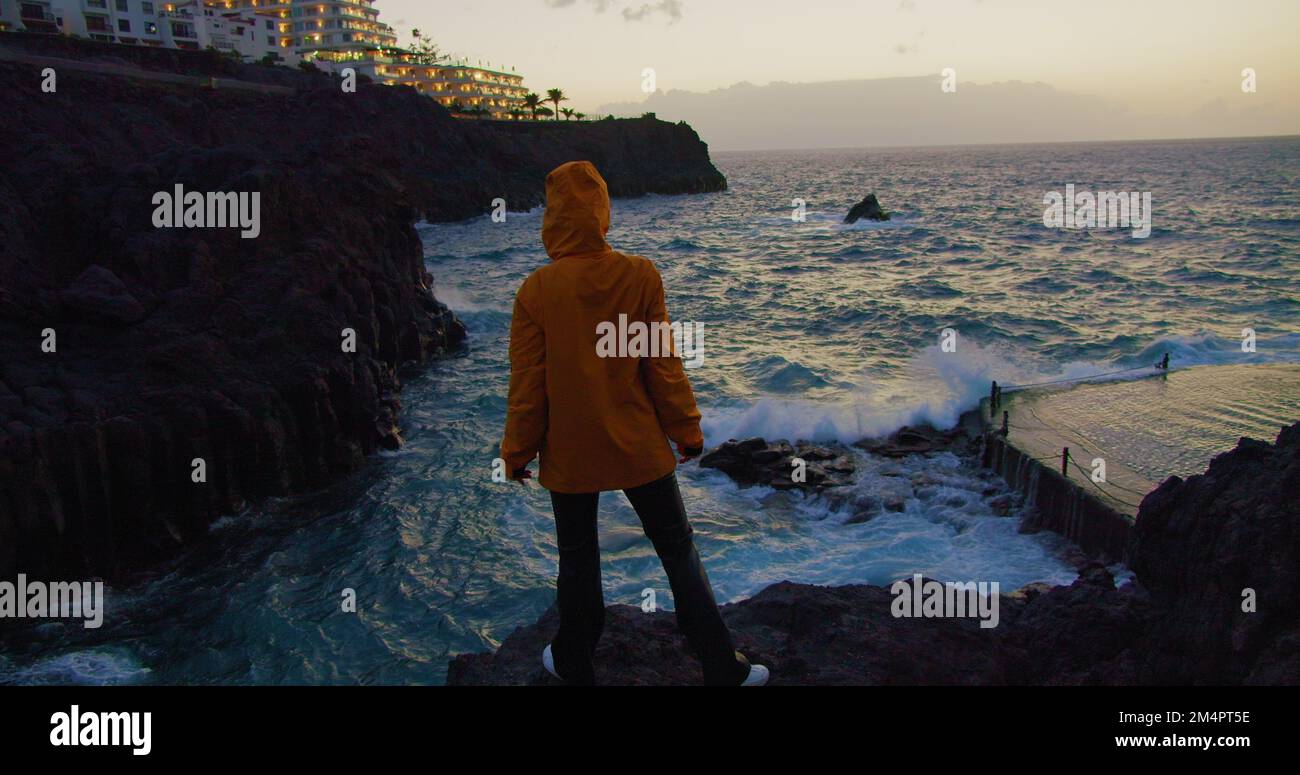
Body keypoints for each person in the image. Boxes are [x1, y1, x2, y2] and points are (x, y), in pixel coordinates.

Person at [500, 161, 769, 687]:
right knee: (678, 551)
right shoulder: (639, 274)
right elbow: (661, 364)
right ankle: (721, 667)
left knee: (578, 561)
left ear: (553, 217)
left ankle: (574, 662)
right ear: (602, 210)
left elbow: (528, 385)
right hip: (639, 444)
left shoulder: (536, 290)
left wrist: (517, 451)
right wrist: (686, 430)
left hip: (570, 452)